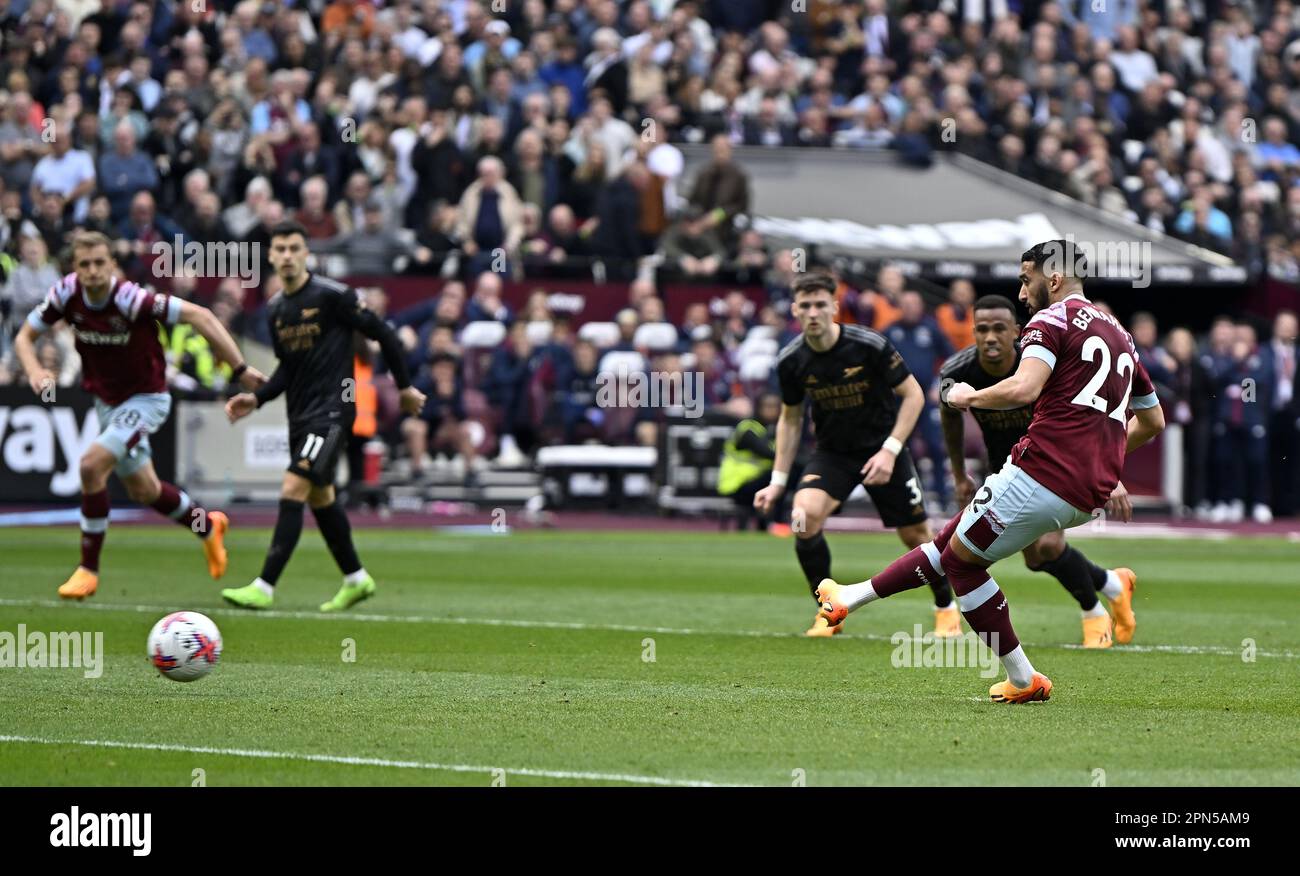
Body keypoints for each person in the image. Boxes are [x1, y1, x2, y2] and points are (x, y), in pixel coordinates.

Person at [817, 240, 1165, 703]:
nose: (1022, 293)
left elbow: (1024, 387)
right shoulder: (1120, 332)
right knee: (952, 545)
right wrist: (1104, 457)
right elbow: (1154, 420)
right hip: (1088, 490)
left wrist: (968, 397)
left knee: (962, 564)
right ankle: (850, 598)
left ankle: (1024, 679)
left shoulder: (1051, 319)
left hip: (1041, 472)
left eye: (1026, 280)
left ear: (1053, 279)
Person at [11, 231, 266, 599]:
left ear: (113, 265)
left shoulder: (131, 300)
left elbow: (200, 315)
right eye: (85, 264)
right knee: (144, 490)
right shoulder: (65, 294)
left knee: (90, 466)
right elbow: (24, 337)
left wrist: (241, 370)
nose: (93, 271)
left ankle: (88, 569)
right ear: (75, 268)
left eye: (101, 263)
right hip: (108, 403)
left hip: (147, 399)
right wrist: (35, 371)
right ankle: (207, 526)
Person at [223, 221, 427, 611]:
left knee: (293, 487)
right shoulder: (276, 310)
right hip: (299, 415)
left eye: (293, 248)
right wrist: (258, 398)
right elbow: (288, 369)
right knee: (321, 496)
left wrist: (403, 388)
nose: (286, 255)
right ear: (270, 256)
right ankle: (356, 578)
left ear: (306, 253)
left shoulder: (334, 296)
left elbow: (383, 332)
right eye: (279, 249)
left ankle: (264, 586)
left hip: (334, 410)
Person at [753, 273, 957, 638]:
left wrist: (890, 450)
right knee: (802, 518)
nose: (813, 312)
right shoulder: (791, 360)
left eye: (821, 304)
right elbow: (791, 417)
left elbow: (912, 395)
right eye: (806, 306)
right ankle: (830, 612)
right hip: (833, 454)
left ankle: (945, 608)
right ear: (795, 310)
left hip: (883, 448)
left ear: (834, 307)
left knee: (916, 535)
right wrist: (777, 481)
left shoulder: (869, 344)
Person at [939, 294, 1139, 648]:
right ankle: (1112, 584)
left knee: (1047, 545)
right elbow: (949, 419)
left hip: (1056, 466)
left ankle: (1094, 615)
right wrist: (958, 474)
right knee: (1035, 558)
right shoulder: (958, 371)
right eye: (982, 329)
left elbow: (1088, 418)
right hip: (1008, 470)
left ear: (1016, 332)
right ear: (972, 332)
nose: (990, 337)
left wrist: (1111, 471)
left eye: (999, 329)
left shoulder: (1040, 363)